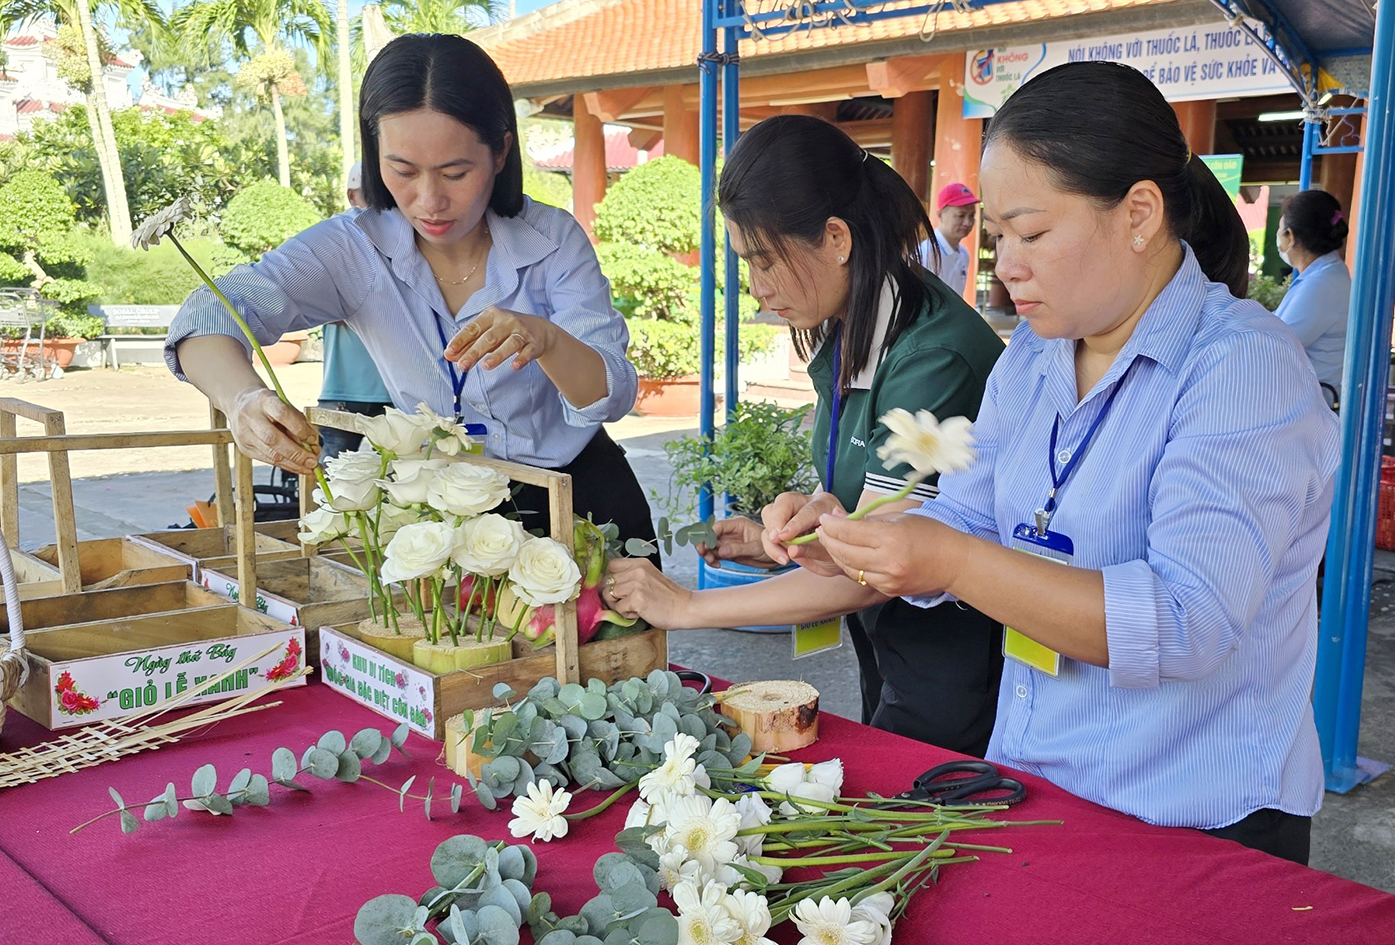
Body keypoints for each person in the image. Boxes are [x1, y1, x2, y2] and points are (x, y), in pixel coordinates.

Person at [614, 61, 1338, 865]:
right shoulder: (1032, 355)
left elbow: (1185, 621)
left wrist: (950, 559)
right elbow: (959, 514)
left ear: (1138, 213)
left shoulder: (1241, 367)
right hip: (1038, 787)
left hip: (1194, 820)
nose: (1005, 263)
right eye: (995, 234)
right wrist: (859, 535)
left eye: (1030, 233)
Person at [605, 115, 1006, 756]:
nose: (758, 289)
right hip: (893, 641)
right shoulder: (853, 321)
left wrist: (686, 607)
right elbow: (860, 506)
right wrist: (804, 534)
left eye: (767, 261)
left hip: (960, 652)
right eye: (747, 264)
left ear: (838, 238)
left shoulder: (935, 359)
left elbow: (882, 564)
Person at [165, 34, 657, 550]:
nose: (430, 201)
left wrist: (548, 340)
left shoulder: (552, 241)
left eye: (455, 172)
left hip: (582, 498)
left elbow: (611, 393)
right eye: (402, 171)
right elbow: (209, 313)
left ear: (500, 151)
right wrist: (241, 399)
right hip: (439, 511)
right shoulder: (353, 250)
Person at [317, 161, 395, 460]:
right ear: (352, 196)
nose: (380, 202)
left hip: (398, 392)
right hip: (343, 391)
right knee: (333, 486)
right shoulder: (332, 243)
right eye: (371, 193)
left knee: (402, 490)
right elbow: (323, 307)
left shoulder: (406, 243)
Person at [1275, 188, 1351, 404]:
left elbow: (1275, 343)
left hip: (1307, 409)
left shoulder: (1323, 285)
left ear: (1290, 237)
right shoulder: (1322, 277)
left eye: (1280, 231)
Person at [918, 182, 979, 297]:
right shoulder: (926, 253)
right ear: (940, 215)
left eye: (971, 215)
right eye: (961, 215)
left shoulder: (963, 254)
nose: (968, 222)